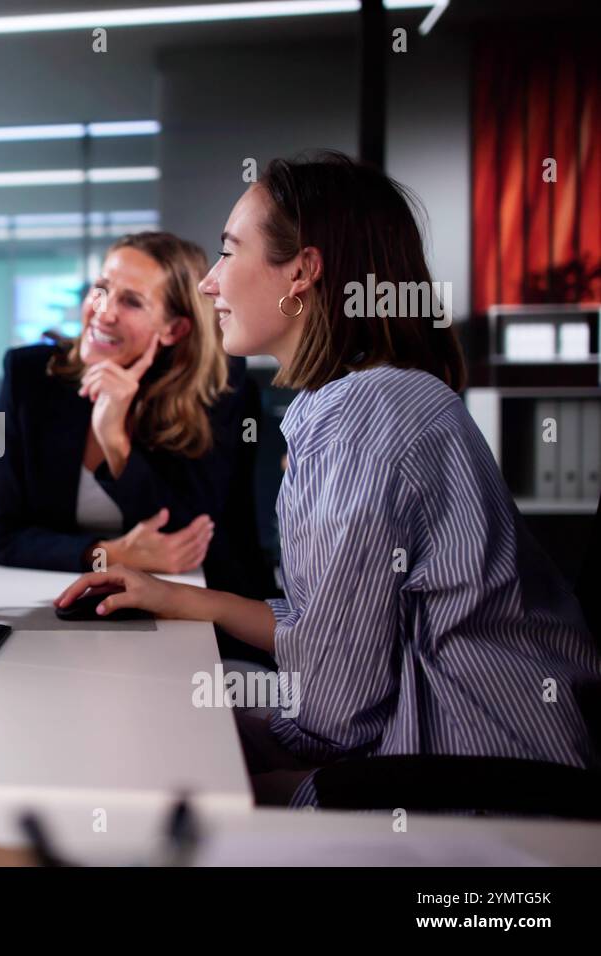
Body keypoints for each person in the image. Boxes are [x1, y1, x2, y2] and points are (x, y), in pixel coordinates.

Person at [55, 152, 601, 805]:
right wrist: (185, 600)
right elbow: (332, 632)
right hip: (457, 750)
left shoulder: (362, 417)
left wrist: (237, 742)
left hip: (480, 777)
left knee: (159, 755)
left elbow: (339, 713)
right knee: (179, 714)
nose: (209, 283)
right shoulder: (356, 399)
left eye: (230, 253)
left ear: (303, 273)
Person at [0, 232, 276, 634]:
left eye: (131, 301)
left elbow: (183, 544)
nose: (103, 312)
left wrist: (114, 440)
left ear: (174, 329)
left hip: (198, 619)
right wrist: (111, 554)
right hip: (65, 606)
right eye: (101, 289)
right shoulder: (29, 375)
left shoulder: (222, 391)